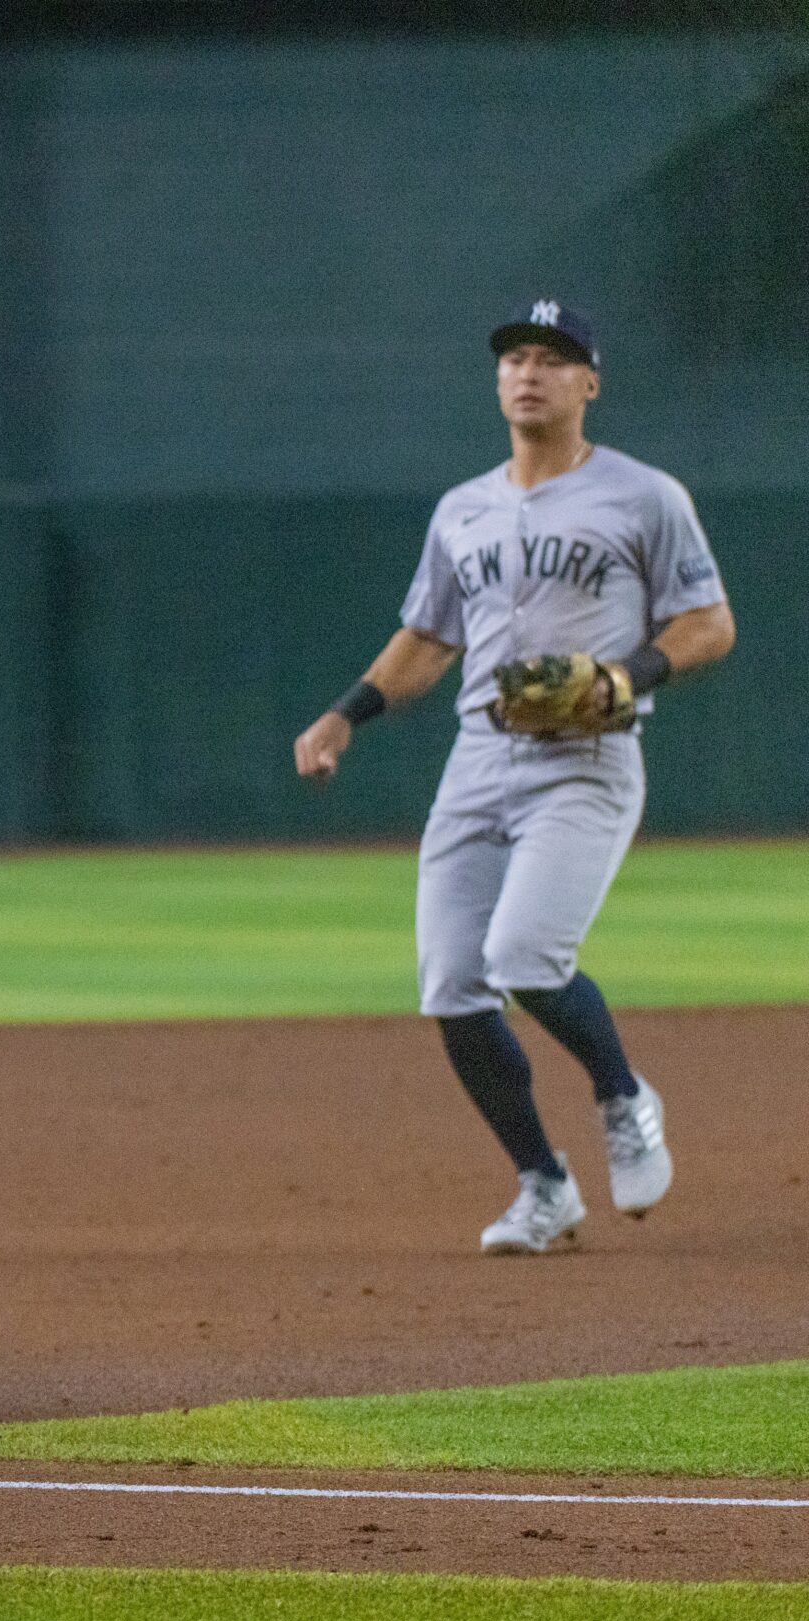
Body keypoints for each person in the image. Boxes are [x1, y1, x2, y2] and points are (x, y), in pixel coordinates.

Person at [293, 300, 736, 1254]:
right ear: (499, 382)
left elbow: (709, 622)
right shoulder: (463, 508)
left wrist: (628, 674)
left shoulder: (643, 496)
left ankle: (623, 1095)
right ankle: (543, 1184)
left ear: (590, 383)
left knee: (526, 958)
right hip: (478, 761)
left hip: (587, 759)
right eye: (515, 358)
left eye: (553, 358)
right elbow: (428, 638)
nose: (528, 372)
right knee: (453, 986)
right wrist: (345, 714)